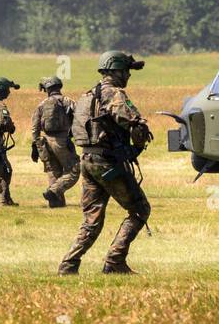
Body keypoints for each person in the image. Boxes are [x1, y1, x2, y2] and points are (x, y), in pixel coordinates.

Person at [58, 51, 153, 275]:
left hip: (88, 161)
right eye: (126, 71)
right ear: (116, 71)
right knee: (140, 210)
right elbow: (133, 121)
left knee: (92, 219)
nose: (128, 75)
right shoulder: (114, 94)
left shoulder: (87, 95)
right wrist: (138, 139)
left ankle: (68, 264)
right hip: (107, 163)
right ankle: (115, 261)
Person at [32, 76, 79, 208]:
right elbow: (79, 118)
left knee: (53, 172)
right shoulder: (67, 101)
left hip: (44, 142)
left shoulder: (41, 104)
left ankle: (55, 204)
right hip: (62, 141)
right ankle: (53, 191)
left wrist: (36, 145)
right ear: (59, 86)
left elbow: (35, 128)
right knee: (74, 169)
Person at [0, 77, 20, 206]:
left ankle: (5, 199)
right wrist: (11, 128)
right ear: (1, 89)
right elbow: (4, 122)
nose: (9, 92)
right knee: (3, 170)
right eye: (7, 89)